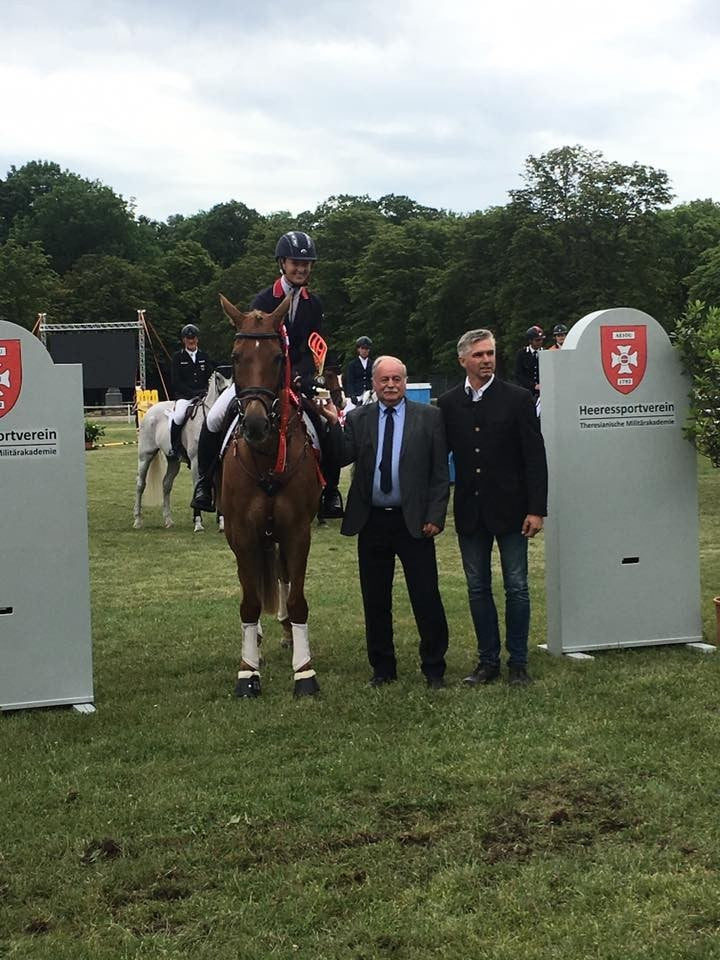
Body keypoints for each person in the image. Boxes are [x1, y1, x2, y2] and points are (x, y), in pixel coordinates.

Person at [191, 230, 343, 518]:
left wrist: (302, 375)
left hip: (298, 382)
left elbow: (315, 346)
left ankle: (331, 491)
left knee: (327, 425)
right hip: (259, 380)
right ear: (282, 263)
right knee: (214, 419)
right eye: (295, 262)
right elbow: (254, 347)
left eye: (306, 263)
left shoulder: (315, 304)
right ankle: (204, 484)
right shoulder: (264, 298)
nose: (301, 268)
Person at [319, 356, 450, 689]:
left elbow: (439, 473)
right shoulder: (360, 418)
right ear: (374, 384)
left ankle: (434, 667)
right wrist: (334, 424)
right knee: (375, 600)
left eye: (396, 379)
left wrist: (435, 516)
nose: (391, 385)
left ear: (405, 382)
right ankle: (383, 668)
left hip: (415, 522)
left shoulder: (430, 418)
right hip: (372, 521)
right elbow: (342, 456)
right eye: (384, 380)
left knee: (426, 597)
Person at [438, 329, 548, 687]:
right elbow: (440, 460)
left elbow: (535, 458)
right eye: (479, 355)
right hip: (471, 512)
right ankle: (488, 662)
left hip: (513, 510)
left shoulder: (517, 399)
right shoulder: (449, 403)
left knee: (516, 587)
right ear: (463, 360)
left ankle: (518, 663)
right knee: (477, 588)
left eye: (491, 353)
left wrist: (536, 509)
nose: (487, 360)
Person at [168, 323, 214, 461]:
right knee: (179, 416)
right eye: (188, 339)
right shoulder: (178, 357)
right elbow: (176, 382)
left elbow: (210, 376)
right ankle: (174, 447)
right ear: (184, 340)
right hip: (185, 397)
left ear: (197, 339)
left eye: (193, 338)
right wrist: (192, 393)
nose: (191, 341)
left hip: (203, 396)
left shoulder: (204, 356)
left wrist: (206, 391)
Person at [514, 325, 544, 399]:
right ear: (530, 341)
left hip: (543, 391)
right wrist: (533, 385)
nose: (540, 342)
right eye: (537, 340)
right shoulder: (522, 354)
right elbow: (519, 374)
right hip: (527, 391)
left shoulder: (545, 353)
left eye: (541, 339)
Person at [345, 336, 373, 403]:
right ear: (358, 349)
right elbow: (350, 381)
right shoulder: (352, 364)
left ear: (369, 350)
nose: (364, 351)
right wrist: (352, 395)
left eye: (366, 349)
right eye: (362, 348)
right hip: (357, 394)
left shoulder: (373, 364)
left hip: (370, 394)